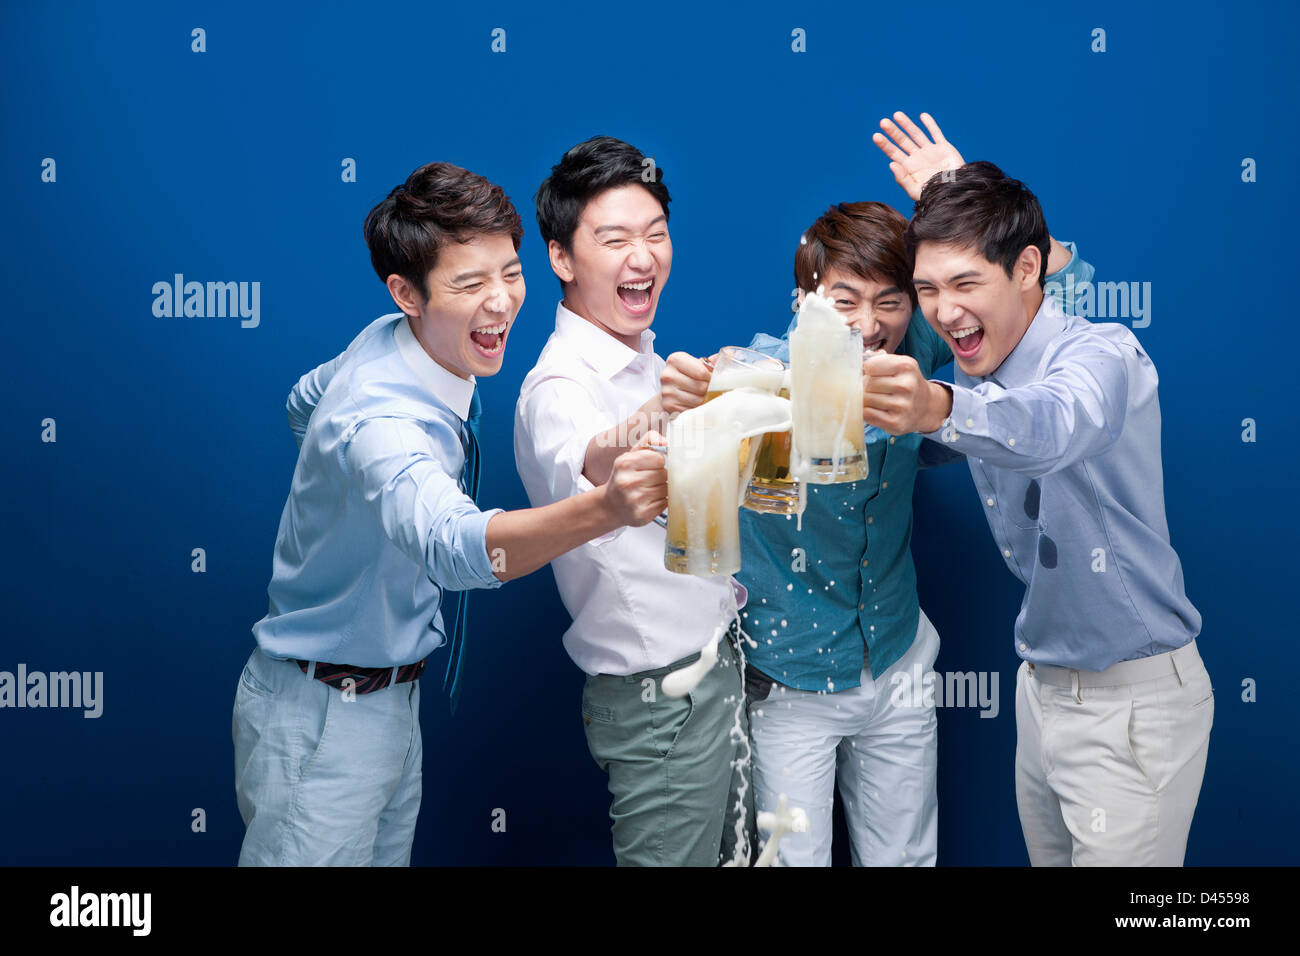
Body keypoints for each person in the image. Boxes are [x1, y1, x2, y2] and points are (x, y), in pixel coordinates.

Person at [233, 161, 668, 867]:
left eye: (509, 272)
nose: (501, 302)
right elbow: (457, 549)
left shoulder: (387, 342)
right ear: (406, 292)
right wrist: (606, 508)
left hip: (384, 704)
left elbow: (302, 403)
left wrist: (347, 492)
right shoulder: (383, 424)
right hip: (322, 719)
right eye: (470, 285)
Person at [702, 113, 1094, 866]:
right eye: (845, 299)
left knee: (907, 860)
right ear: (804, 300)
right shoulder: (756, 380)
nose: (869, 322)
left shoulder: (916, 359)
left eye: (890, 299)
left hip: (899, 663)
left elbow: (1041, 306)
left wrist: (954, 189)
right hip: (788, 683)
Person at [863, 159, 1211, 866]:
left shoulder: (1100, 356)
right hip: (1040, 691)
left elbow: (1049, 425)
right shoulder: (978, 371)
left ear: (1028, 269)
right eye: (927, 289)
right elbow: (915, 448)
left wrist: (937, 406)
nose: (944, 310)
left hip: (1131, 707)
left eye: (966, 284)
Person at [513, 136, 752, 866]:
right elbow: (588, 461)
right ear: (561, 257)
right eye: (613, 239)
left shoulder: (643, 355)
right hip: (659, 705)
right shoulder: (557, 387)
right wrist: (665, 411)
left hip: (717, 671)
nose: (642, 257)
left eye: (655, 234)